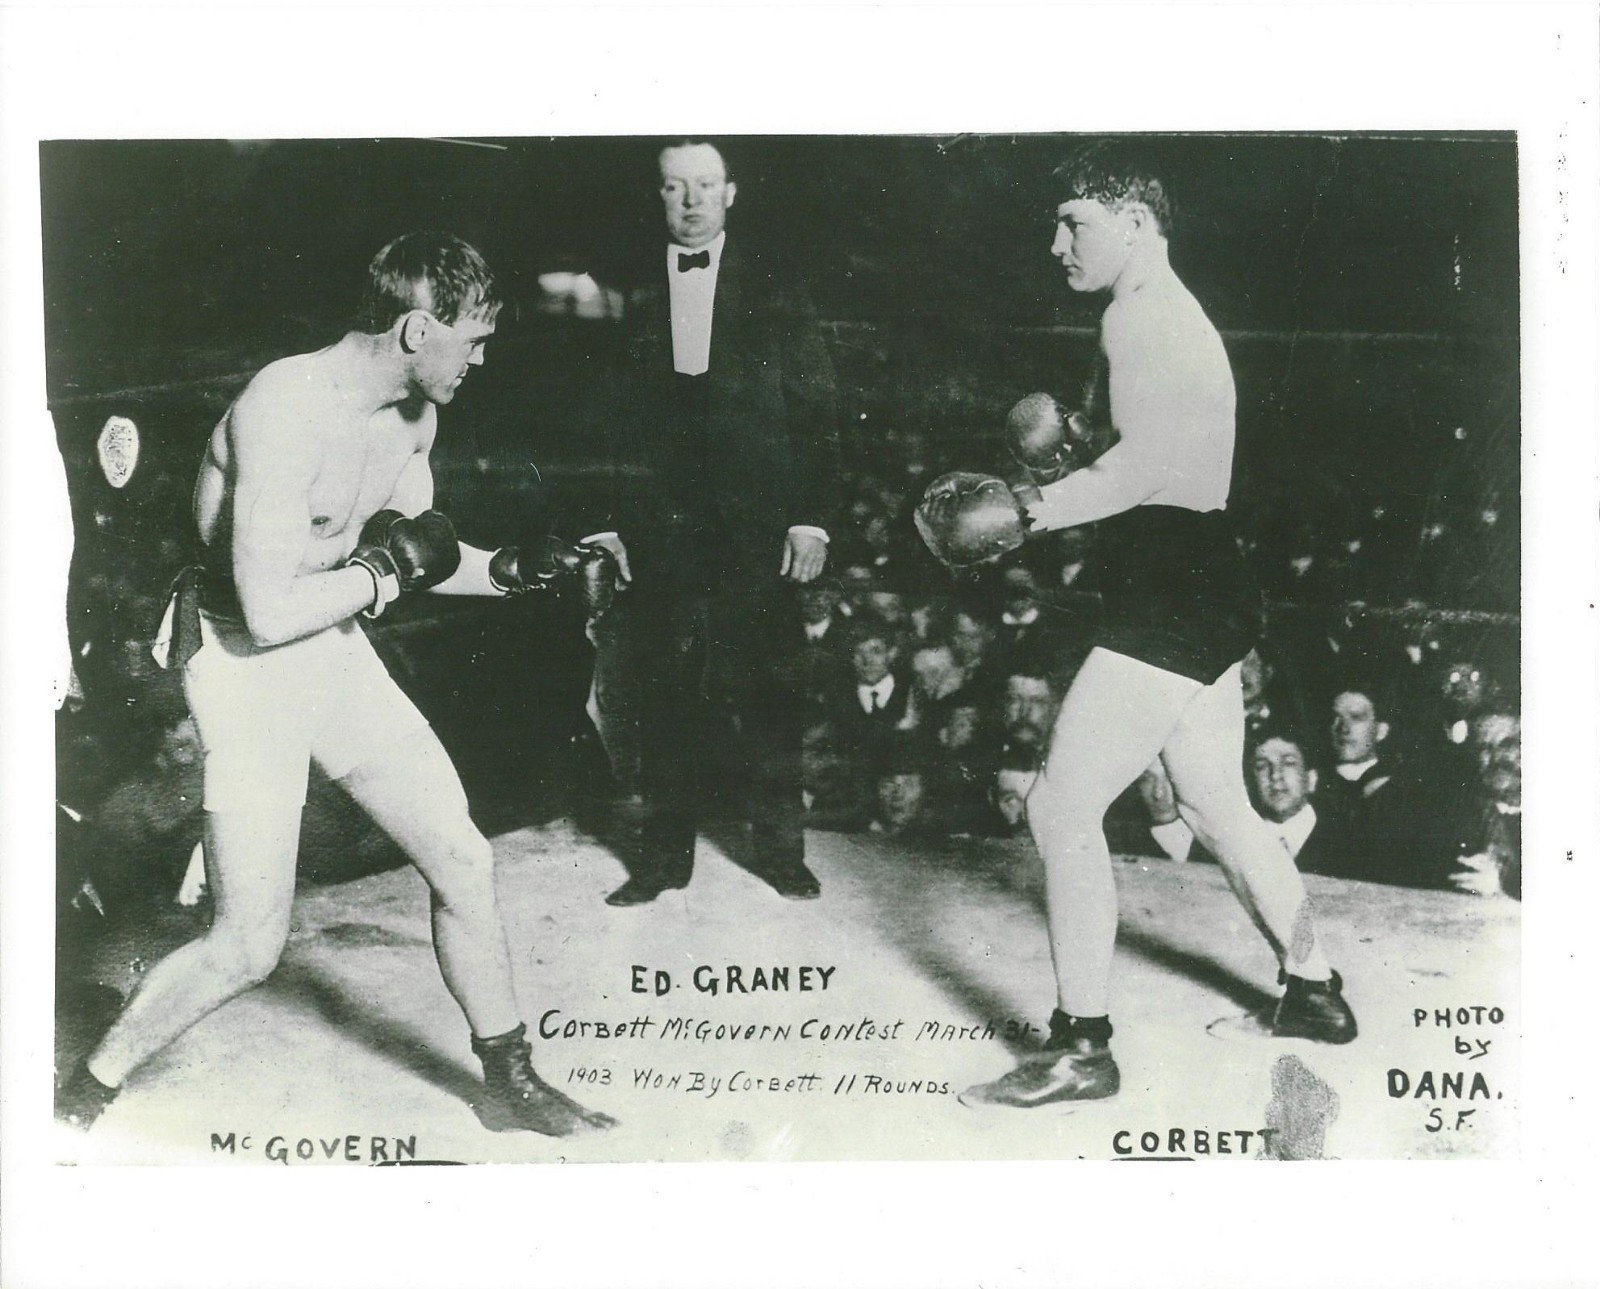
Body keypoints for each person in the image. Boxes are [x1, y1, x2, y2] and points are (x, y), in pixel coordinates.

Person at [54, 232, 617, 1137]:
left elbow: (416, 551)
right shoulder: (284, 407)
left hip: (333, 650)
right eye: (472, 339)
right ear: (416, 330)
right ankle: (83, 1093)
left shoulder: (414, 417)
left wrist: (515, 569)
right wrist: (387, 571)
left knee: (463, 857)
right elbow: (272, 608)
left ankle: (509, 1079)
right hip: (244, 663)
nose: (481, 358)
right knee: (248, 944)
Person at [918, 144, 1357, 1109]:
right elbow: (1164, 450)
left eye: (1075, 223)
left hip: (1172, 588)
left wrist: (1034, 505)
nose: (1057, 244)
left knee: (1060, 808)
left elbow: (1150, 466)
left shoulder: (1140, 315)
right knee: (1216, 803)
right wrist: (1078, 447)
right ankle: (1315, 991)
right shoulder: (1165, 311)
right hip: (1196, 578)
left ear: (1136, 222)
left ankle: (1083, 1047)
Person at [584, 140, 841, 906]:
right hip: (660, 526)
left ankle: (782, 854)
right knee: (661, 693)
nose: (690, 201)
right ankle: (662, 862)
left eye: (704, 185)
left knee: (771, 691)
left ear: (731, 192)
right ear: (659, 195)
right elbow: (602, 419)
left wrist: (810, 520)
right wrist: (607, 521)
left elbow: (816, 409)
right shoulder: (625, 290)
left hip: (757, 525)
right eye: (675, 187)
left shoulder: (776, 284)